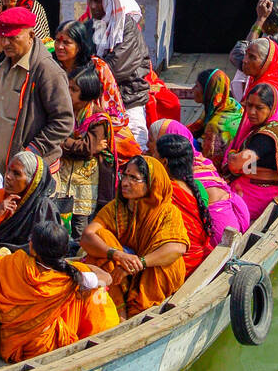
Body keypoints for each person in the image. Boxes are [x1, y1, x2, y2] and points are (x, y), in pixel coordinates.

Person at [0, 220, 118, 361]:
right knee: (93, 292)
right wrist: (84, 269)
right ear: (65, 250)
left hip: (11, 345)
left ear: (32, 248)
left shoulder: (12, 263)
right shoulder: (71, 277)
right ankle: (96, 336)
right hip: (46, 347)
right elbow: (107, 278)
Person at [81, 156, 188, 318]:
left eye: (133, 178)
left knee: (169, 263)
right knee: (100, 238)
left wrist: (138, 264)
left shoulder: (167, 212)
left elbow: (176, 248)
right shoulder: (116, 208)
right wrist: (117, 255)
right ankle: (119, 309)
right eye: (124, 176)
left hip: (149, 272)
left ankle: (140, 309)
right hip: (121, 272)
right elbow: (88, 236)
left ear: (151, 182)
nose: (124, 182)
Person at [0, 7, 74, 173]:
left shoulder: (47, 71)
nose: (5, 43)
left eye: (13, 38)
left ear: (31, 35)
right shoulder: (1, 61)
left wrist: (30, 152)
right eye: (2, 37)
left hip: (26, 173)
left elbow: (64, 122)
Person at [60, 66, 138, 236]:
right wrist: (77, 145)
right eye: (67, 87)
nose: (68, 92)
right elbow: (87, 147)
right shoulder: (65, 113)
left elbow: (87, 149)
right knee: (60, 220)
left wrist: (63, 143)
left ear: (87, 92)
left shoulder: (97, 119)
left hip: (85, 182)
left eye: (73, 89)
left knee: (80, 225)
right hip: (65, 177)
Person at [147, 118, 249, 243]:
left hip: (219, 232)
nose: (147, 145)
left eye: (151, 140)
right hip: (236, 219)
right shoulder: (202, 162)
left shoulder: (177, 181)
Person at [52, 18, 137, 159]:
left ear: (79, 46)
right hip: (61, 126)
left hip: (96, 127)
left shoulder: (98, 67)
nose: (59, 47)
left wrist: (92, 131)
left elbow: (116, 112)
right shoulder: (52, 67)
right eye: (57, 41)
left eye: (66, 42)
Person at [85, 0, 151, 149]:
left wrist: (83, 75)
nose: (92, 6)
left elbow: (114, 68)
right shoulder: (94, 25)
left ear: (109, 1)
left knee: (134, 149)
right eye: (90, 0)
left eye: (98, 1)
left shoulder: (126, 28)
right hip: (101, 102)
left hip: (129, 100)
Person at [224, 84, 278, 224]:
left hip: (259, 194)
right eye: (249, 105)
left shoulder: (266, 137)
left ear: (271, 108)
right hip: (267, 188)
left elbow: (236, 163)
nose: (251, 112)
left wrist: (231, 154)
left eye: (259, 108)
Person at [154, 133, 214, 275]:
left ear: (164, 162)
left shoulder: (162, 191)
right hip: (199, 258)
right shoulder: (198, 186)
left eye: (154, 155)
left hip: (179, 264)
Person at [0, 149, 59, 248]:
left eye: (16, 173)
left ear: (32, 181)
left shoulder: (43, 209)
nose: (8, 176)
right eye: (8, 170)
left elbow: (49, 247)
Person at [189, 68, 243, 169]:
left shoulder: (213, 126)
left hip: (222, 169)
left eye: (197, 86)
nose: (193, 89)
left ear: (208, 92)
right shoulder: (231, 103)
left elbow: (207, 160)